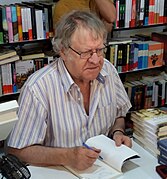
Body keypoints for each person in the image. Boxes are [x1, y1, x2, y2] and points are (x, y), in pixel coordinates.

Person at [7, 10, 132, 171]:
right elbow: (17, 150)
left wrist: (118, 132)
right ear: (63, 51)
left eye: (100, 50)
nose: (96, 60)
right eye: (86, 52)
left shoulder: (108, 70)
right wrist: (67, 156)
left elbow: (119, 113)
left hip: (103, 169)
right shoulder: (38, 88)